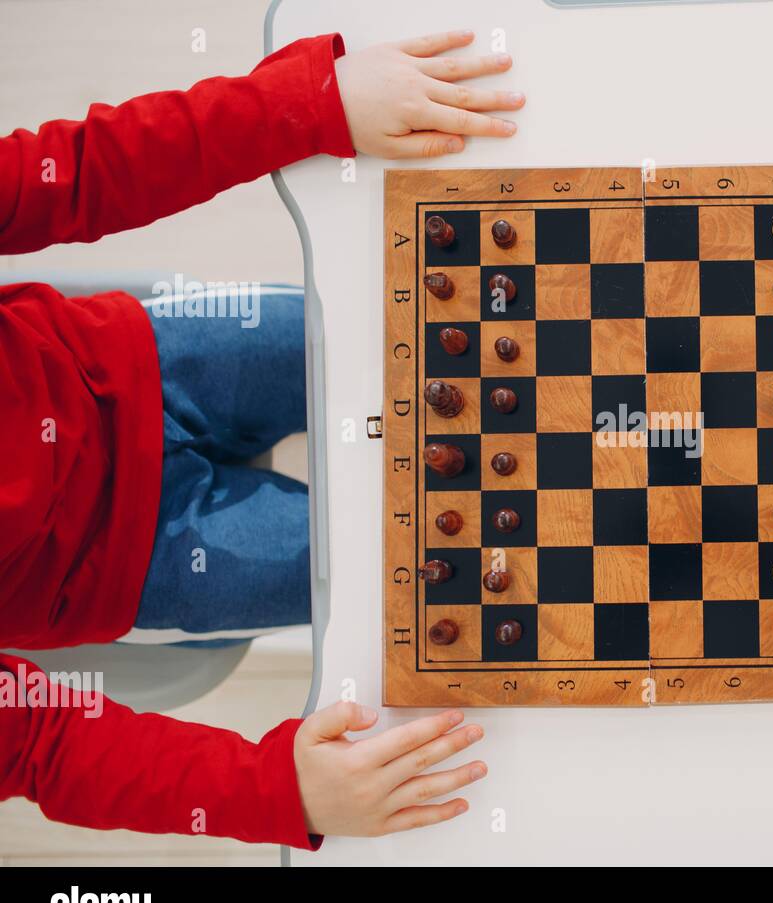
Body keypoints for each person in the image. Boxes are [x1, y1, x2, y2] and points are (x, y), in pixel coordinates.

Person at [0, 29, 524, 845]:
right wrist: (276, 793)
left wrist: (312, 103)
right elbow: (37, 744)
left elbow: (80, 172)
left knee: (493, 342)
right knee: (482, 572)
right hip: (134, 562)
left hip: (138, 361)